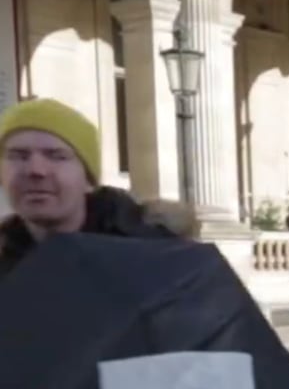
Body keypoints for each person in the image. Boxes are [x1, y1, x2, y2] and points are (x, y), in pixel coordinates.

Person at [0, 97, 195, 277]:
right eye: (18, 155)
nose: (36, 170)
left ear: (88, 180)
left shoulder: (159, 257)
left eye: (57, 156)